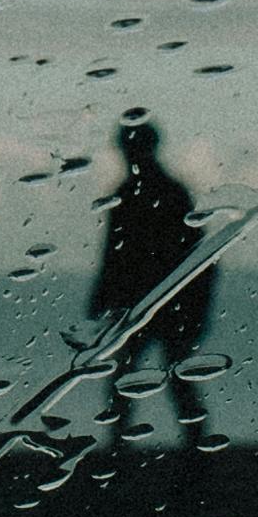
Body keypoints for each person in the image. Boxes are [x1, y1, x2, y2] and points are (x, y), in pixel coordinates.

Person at [84, 113, 217, 447]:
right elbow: (117, 253)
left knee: (142, 378)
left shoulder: (142, 194)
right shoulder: (166, 192)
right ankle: (191, 449)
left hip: (153, 303)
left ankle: (124, 449)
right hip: (162, 303)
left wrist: (102, 298)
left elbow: (116, 254)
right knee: (164, 378)